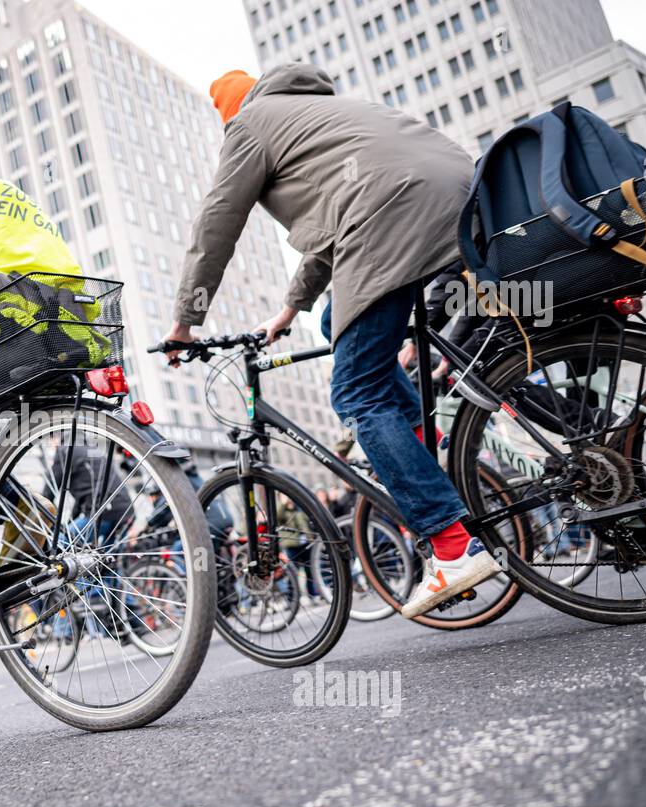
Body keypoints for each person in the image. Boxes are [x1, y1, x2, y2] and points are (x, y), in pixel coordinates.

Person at [165, 64, 502, 619]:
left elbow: (218, 219)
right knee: (333, 324)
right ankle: (418, 438)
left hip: (395, 217)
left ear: (230, 112)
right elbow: (339, 228)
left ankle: (451, 545)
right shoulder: (324, 112)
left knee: (357, 394)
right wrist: (291, 308)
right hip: (462, 199)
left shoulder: (250, 124)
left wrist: (187, 318)